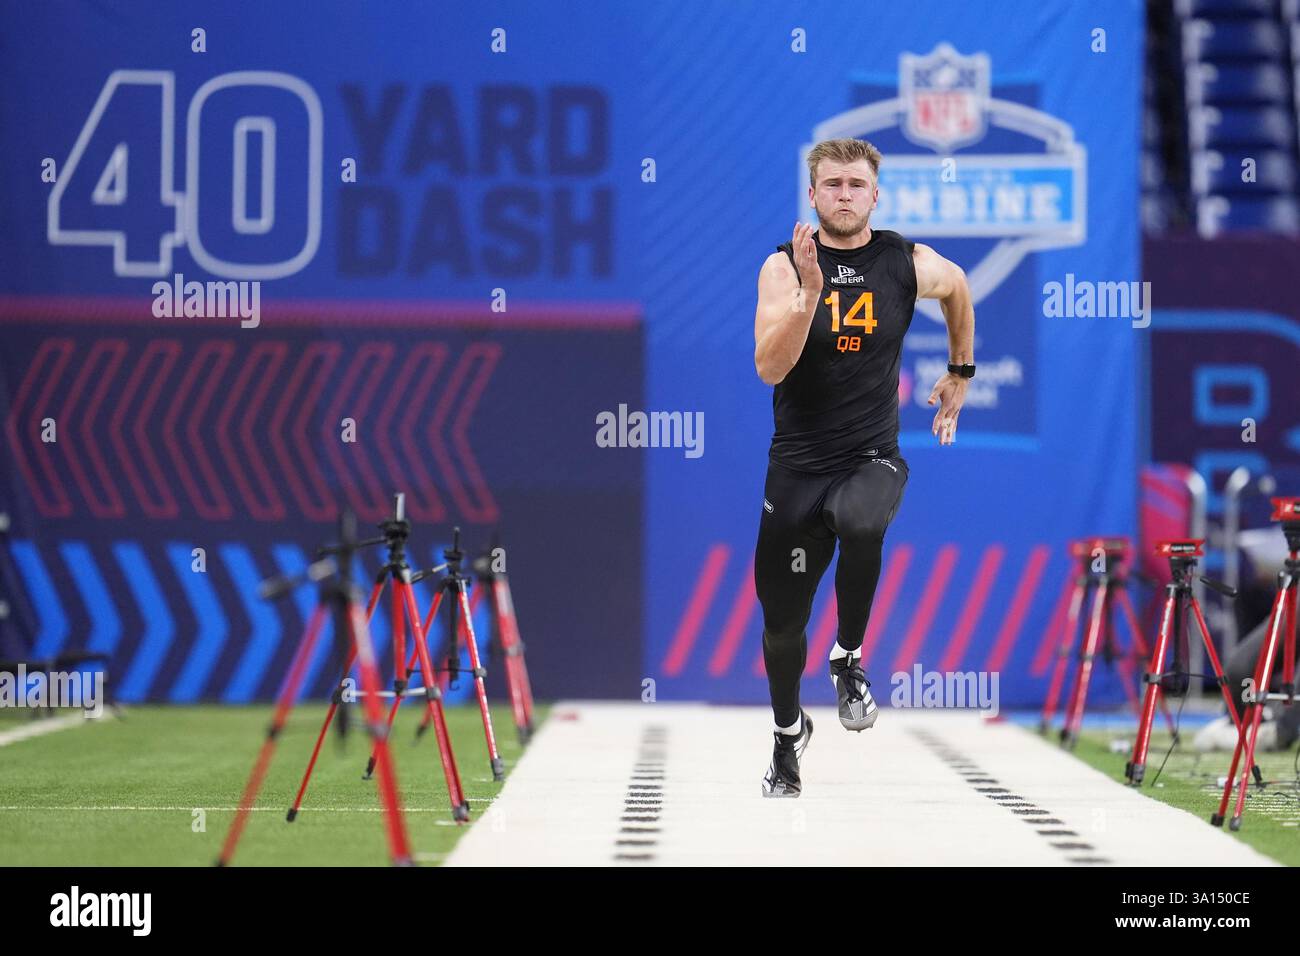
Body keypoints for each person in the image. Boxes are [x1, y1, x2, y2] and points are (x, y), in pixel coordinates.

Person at [752, 137, 975, 797]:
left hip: (871, 455)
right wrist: (808, 296)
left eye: (856, 185)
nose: (844, 195)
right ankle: (788, 736)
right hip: (795, 467)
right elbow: (769, 367)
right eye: (832, 185)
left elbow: (958, 287)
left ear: (875, 194)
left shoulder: (906, 261)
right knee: (782, 629)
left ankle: (848, 657)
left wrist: (961, 370)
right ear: (812, 195)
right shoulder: (784, 267)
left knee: (860, 519)